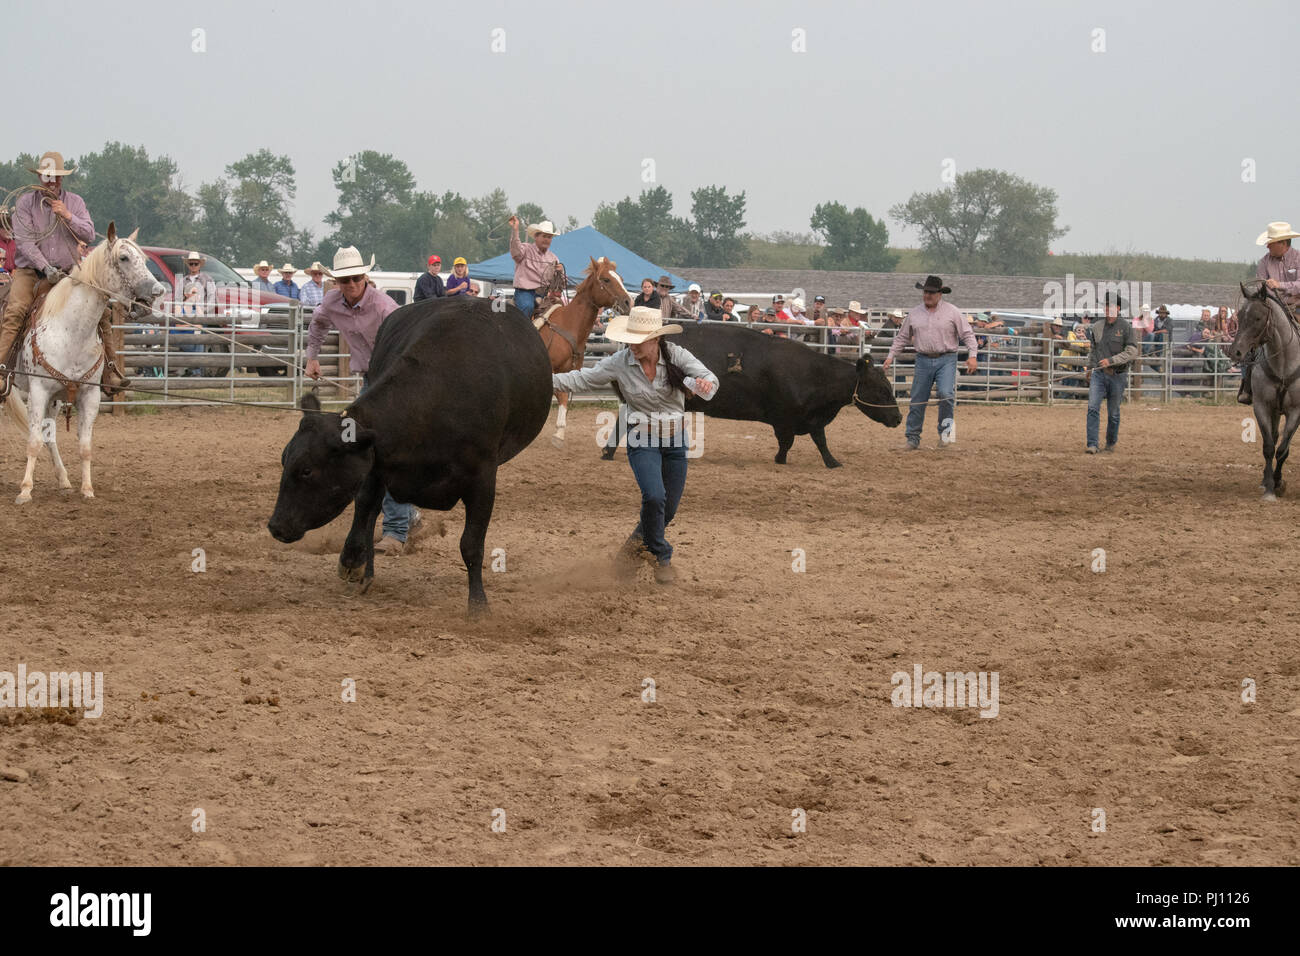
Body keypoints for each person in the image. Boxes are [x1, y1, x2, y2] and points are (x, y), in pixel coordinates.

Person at [552, 306, 719, 584]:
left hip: (676, 440)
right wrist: (543, 378)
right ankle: (661, 557)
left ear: (655, 339)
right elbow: (582, 379)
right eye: (630, 338)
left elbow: (710, 380)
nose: (632, 345)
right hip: (642, 438)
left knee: (668, 510)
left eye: (638, 340)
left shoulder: (676, 355)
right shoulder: (620, 362)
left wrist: (704, 383)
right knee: (654, 496)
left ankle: (629, 554)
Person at [304, 246, 425, 555]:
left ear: (365, 277)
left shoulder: (384, 306)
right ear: (336, 283)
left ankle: (395, 531)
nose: (352, 285)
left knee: (385, 452)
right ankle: (407, 516)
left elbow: (409, 344)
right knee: (362, 446)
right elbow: (318, 324)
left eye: (356, 279)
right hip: (370, 382)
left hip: (395, 381)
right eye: (345, 281)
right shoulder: (331, 302)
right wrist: (312, 357)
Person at [0, 150, 129, 393]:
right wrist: (45, 267)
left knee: (101, 311)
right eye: (48, 176)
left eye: (56, 177)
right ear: (40, 177)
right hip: (31, 272)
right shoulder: (25, 204)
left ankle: (110, 371)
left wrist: (68, 216)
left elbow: (89, 234)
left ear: (62, 179)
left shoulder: (75, 203)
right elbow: (25, 243)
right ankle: (2, 369)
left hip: (69, 272)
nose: (52, 181)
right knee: (15, 310)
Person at [882, 276, 978, 450]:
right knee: (918, 398)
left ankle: (946, 435)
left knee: (946, 394)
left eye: (932, 292)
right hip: (923, 359)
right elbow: (902, 337)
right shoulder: (914, 313)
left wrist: (973, 355)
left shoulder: (953, 312)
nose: (928, 295)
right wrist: (890, 356)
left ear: (940, 294)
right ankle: (912, 438)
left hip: (947, 358)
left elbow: (967, 334)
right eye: (926, 292)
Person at [1241, 222, 1300, 403]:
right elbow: (1260, 286)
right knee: (1249, 341)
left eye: (1271, 242)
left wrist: (1281, 285)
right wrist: (1267, 292)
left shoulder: (1298, 259)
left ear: (1283, 243)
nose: (1267, 246)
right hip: (1272, 309)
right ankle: (1247, 385)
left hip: (1297, 307)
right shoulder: (1264, 262)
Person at [1084, 291, 1139, 453]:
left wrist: (1112, 360)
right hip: (1099, 374)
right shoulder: (1097, 327)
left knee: (1113, 413)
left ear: (1118, 308)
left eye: (1111, 306)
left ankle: (1110, 442)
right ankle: (1092, 444)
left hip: (1118, 375)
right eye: (1106, 306)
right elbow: (1094, 350)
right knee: (1093, 408)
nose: (1108, 309)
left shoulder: (1126, 328)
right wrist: (1089, 366)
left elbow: (1132, 351)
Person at [507, 216, 558, 319]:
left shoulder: (553, 258)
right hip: (525, 292)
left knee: (559, 311)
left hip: (544, 294)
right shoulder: (526, 249)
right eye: (544, 236)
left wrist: (559, 272)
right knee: (527, 306)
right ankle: (522, 333)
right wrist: (515, 230)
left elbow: (557, 282)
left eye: (549, 237)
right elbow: (515, 251)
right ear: (536, 236)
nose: (547, 240)